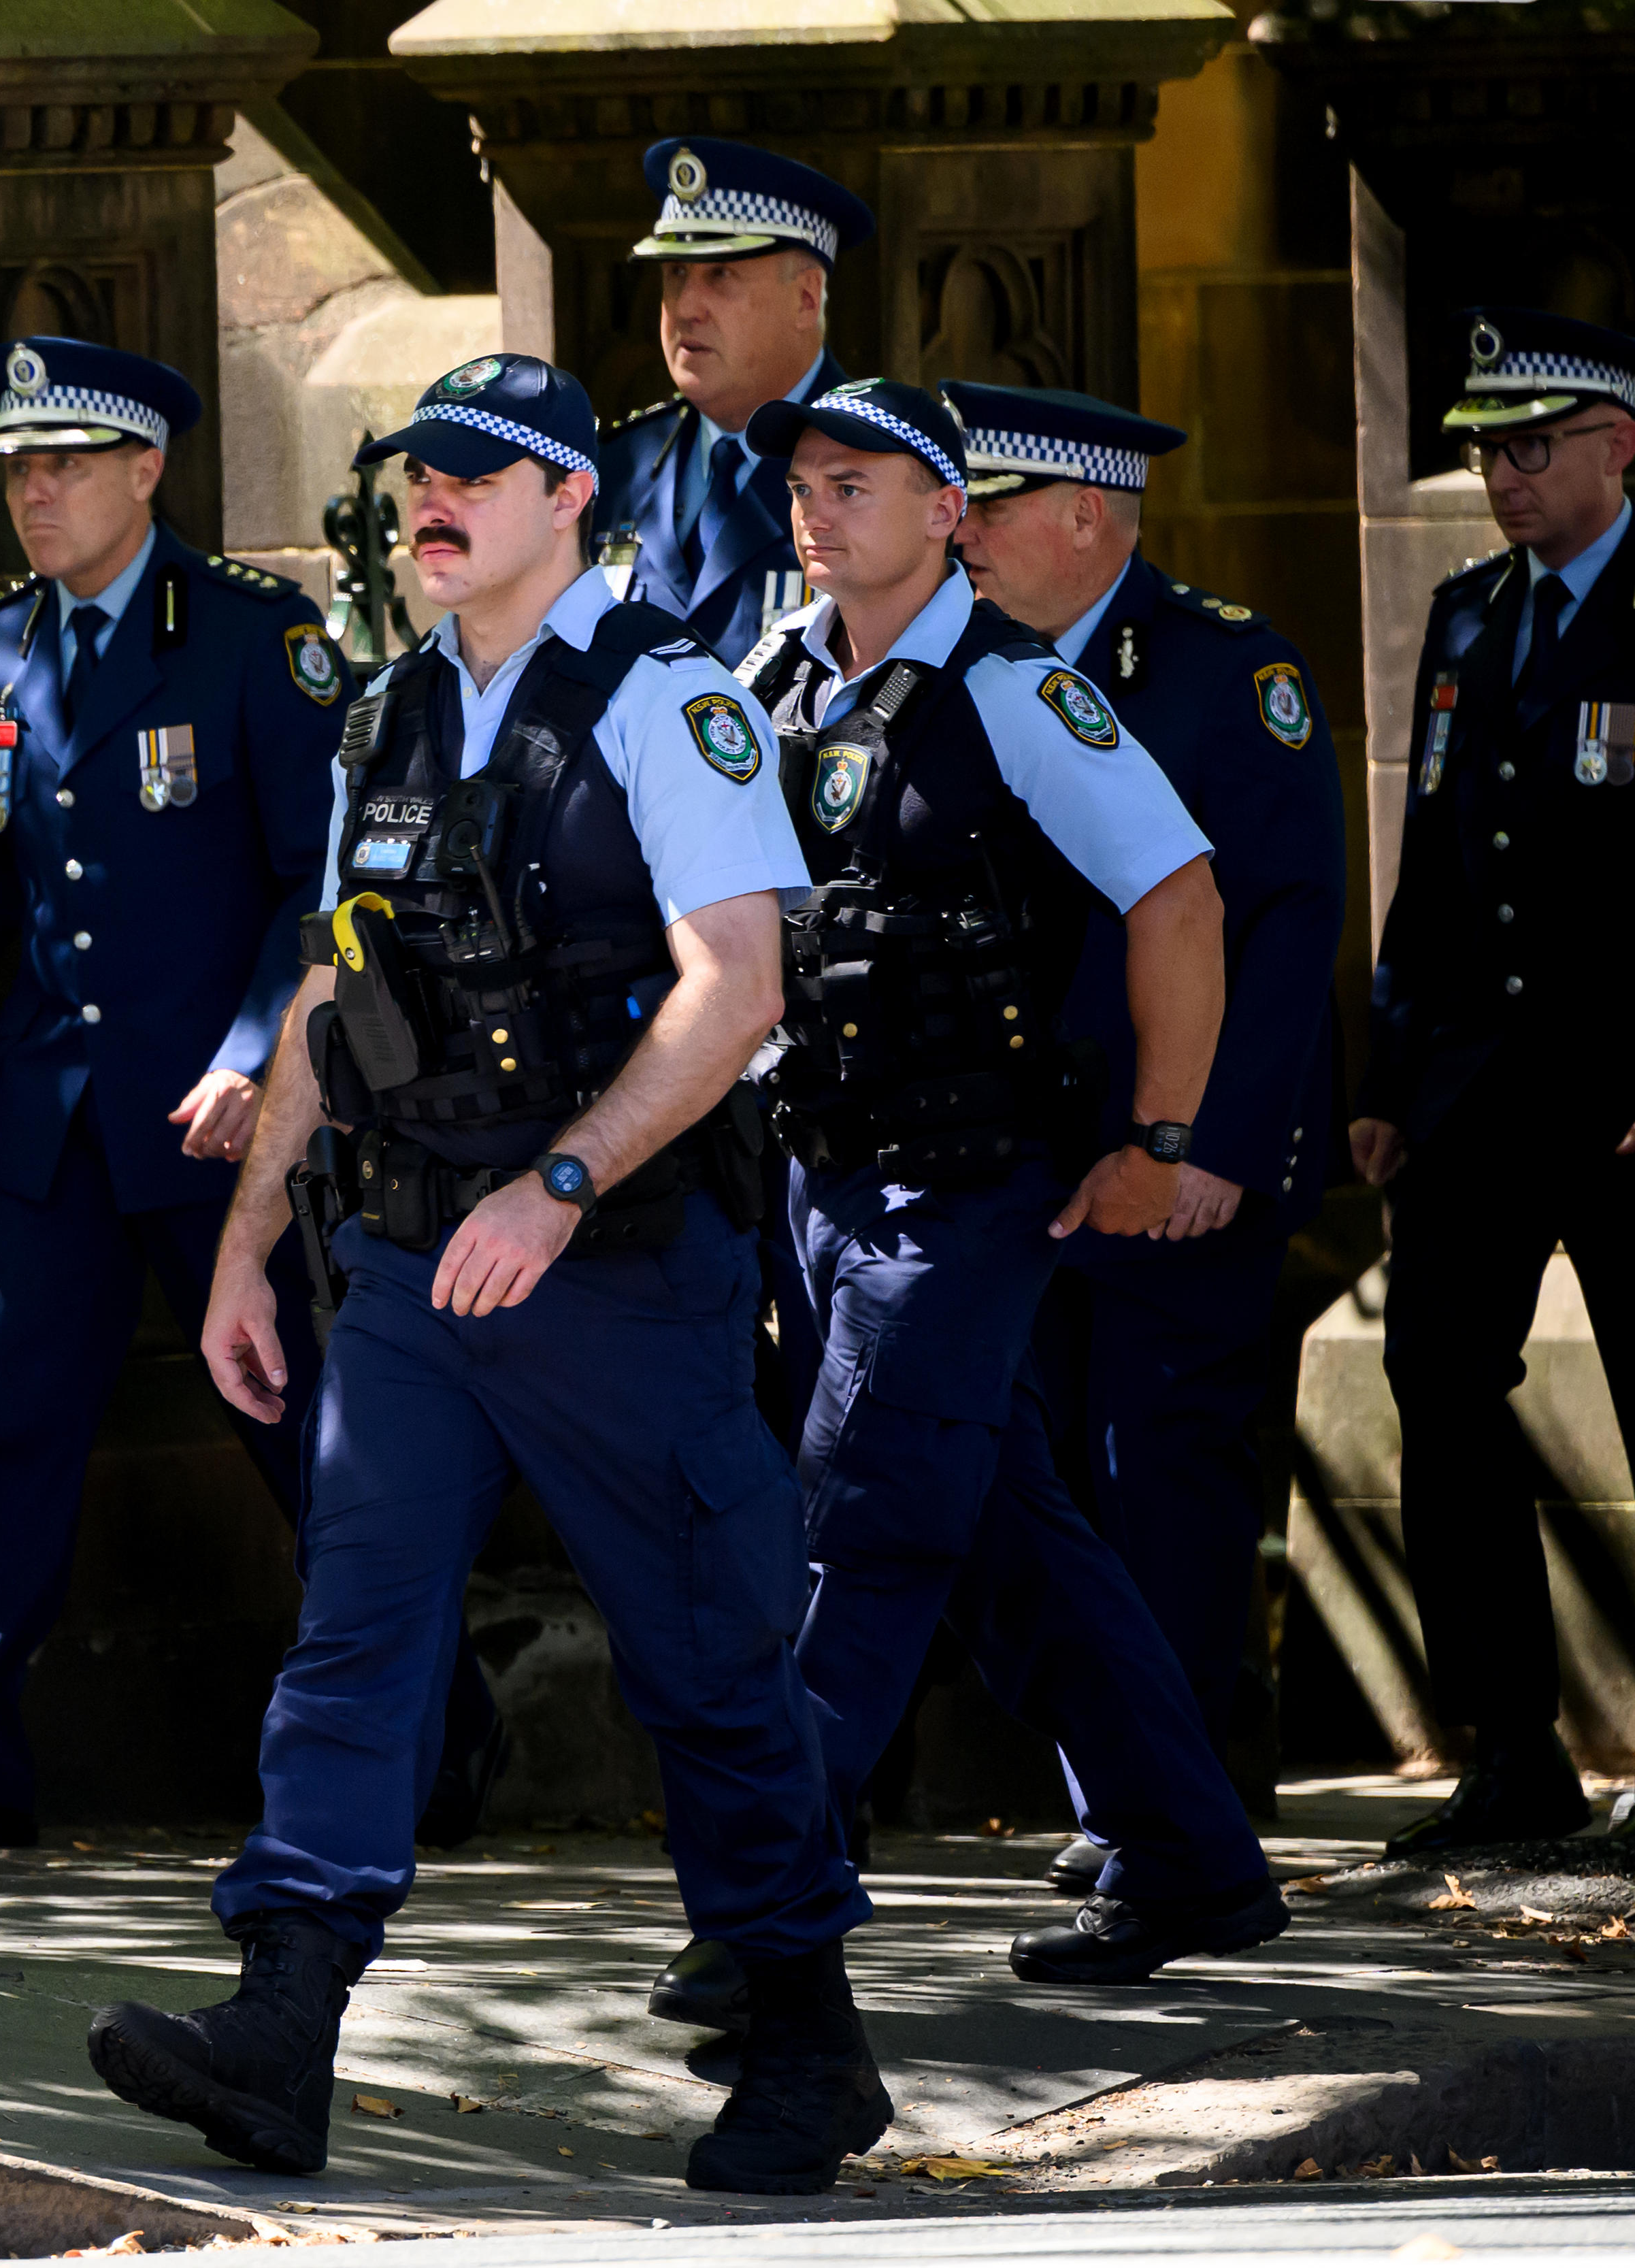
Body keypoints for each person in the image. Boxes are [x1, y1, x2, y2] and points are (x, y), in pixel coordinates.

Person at [88, 354, 887, 2197]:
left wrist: (560, 1178)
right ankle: (281, 2026)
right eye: (414, 474)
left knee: (705, 1663)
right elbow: (327, 993)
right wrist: (244, 1251)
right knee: (357, 1640)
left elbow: (738, 985)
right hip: (404, 1260)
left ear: (567, 501)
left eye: (477, 473)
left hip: (614, 1273)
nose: (430, 500)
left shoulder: (666, 697)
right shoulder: (389, 711)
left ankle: (805, 2026)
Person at [650, 380, 1287, 2035]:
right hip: (821, 1171)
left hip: (970, 1186)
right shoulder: (774, 680)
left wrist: (1162, 1130)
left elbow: (1182, 894)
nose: (815, 508)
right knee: (1011, 1537)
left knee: (863, 1513)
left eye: (852, 482)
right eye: (799, 482)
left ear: (945, 513)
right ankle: (1193, 1858)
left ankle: (767, 1899)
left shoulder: (1016, 692)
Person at [0, 339, 507, 1852]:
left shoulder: (252, 642)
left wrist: (257, 1052)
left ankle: (435, 1729)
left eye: (64, 462)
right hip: (51, 1118)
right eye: (16, 465)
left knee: (304, 1430)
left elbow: (311, 882)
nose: (33, 489)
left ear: (147, 472)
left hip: (221, 1127)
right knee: (5, 1429)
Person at [947, 382, 1347, 1899]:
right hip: (1028, 1166)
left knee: (1158, 1468)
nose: (962, 532)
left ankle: (1190, 1808)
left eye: (989, 507)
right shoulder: (967, 669)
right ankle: (1124, 1788)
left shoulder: (1215, 671)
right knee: (1046, 1474)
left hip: (1177, 1162)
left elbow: (1287, 922)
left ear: (1090, 517)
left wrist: (1206, 1148)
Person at [1353, 308, 1635, 1858]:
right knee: (1439, 1390)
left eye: (1530, 447)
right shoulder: (1467, 615)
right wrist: (1387, 1068)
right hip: (1475, 1090)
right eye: (1482, 450)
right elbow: (1432, 865)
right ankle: (1509, 1749)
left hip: (1621, 1091)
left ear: (1618, 445)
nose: (1501, 476)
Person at [595, 138, 874, 668]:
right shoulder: (612, 467)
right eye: (675, 273)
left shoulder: (882, 467)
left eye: (720, 274)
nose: (685, 306)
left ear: (806, 298)